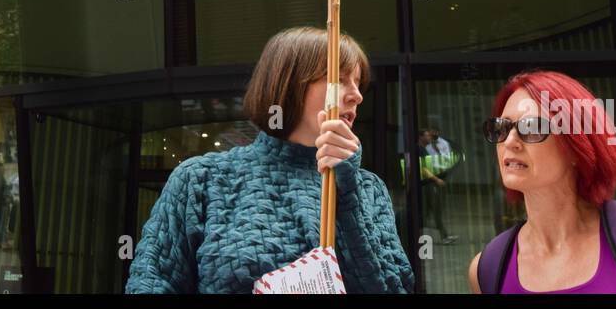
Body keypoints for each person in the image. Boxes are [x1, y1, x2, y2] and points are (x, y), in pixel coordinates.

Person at [126, 26, 413, 293]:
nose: (357, 95)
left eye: (359, 82)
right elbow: (151, 282)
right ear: (287, 84)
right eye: (339, 78)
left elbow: (394, 286)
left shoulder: (367, 189)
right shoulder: (202, 179)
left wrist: (347, 194)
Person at [468, 70, 616, 294]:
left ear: (576, 146)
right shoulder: (489, 269)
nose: (510, 141)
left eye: (531, 127)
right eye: (501, 127)